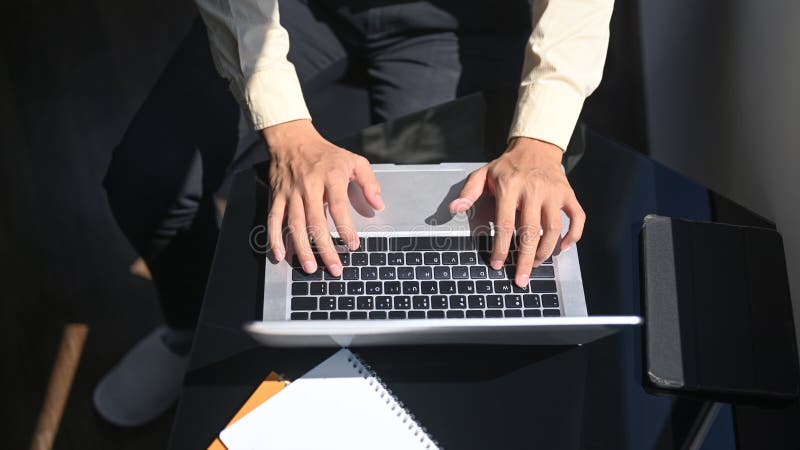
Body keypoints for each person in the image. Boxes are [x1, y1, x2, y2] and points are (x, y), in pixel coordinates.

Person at [96, 0, 612, 426]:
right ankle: (190, 329)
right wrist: (288, 133)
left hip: (461, 19)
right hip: (295, 9)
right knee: (148, 182)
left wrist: (540, 142)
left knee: (432, 233)